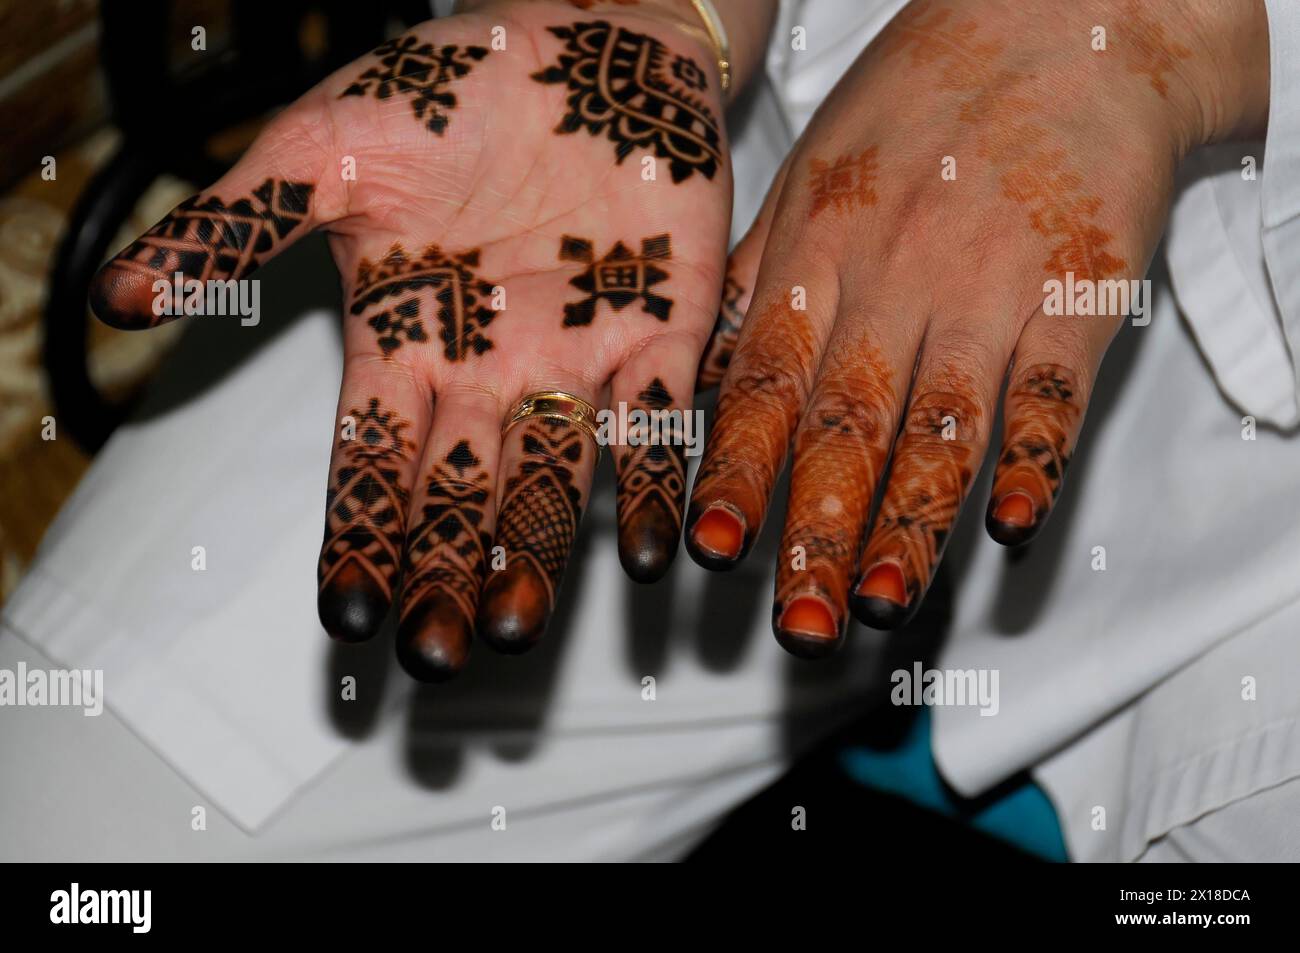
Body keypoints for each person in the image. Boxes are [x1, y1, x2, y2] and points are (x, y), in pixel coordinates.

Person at [3, 0, 1297, 861]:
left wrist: (1171, 32)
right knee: (67, 836)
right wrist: (656, 17)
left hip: (1263, 523)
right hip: (687, 214)